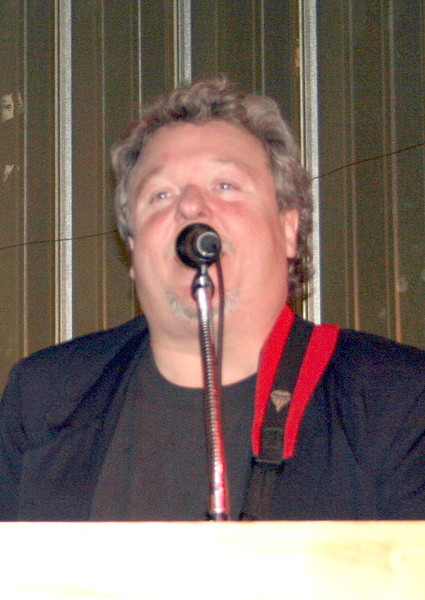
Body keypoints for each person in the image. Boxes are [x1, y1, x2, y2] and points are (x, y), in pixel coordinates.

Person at [0, 79, 424, 521]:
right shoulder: (45, 396)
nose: (190, 207)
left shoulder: (397, 398)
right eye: (160, 195)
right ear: (133, 250)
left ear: (288, 229)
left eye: (225, 185)